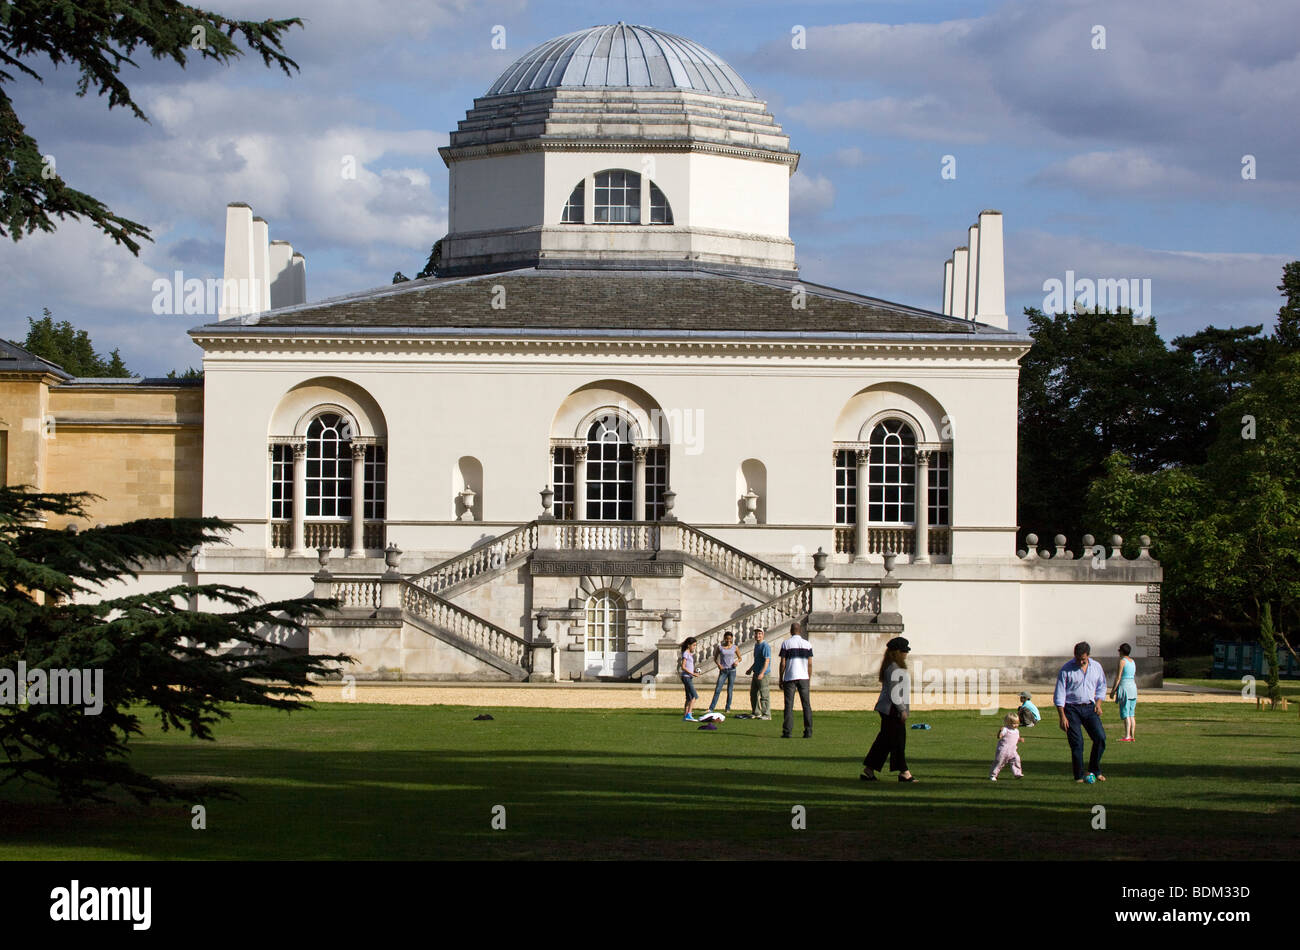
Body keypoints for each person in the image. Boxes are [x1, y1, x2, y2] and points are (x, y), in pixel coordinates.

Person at [861, 636, 916, 782]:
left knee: (885, 742)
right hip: (892, 710)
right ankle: (904, 772)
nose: (906, 654)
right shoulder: (893, 668)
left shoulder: (893, 666)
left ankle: (869, 769)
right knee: (897, 741)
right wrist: (902, 710)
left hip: (890, 709)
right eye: (903, 651)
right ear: (897, 652)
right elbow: (895, 693)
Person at [1053, 641, 1108, 782]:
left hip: (1090, 707)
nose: (1080, 661)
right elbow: (1059, 694)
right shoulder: (1066, 669)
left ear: (1088, 656)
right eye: (1078, 658)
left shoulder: (1096, 667)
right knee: (1077, 743)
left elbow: (1102, 686)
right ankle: (1078, 775)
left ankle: (1094, 770)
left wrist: (1099, 704)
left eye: (1083, 659)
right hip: (1071, 709)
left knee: (1100, 738)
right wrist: (1062, 716)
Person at [778, 620, 813, 738]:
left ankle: (787, 731)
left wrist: (780, 678)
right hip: (803, 677)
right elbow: (810, 664)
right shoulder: (807, 644)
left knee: (789, 705)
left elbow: (783, 663)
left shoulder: (786, 643)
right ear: (800, 631)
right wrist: (809, 677)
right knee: (806, 704)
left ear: (791, 631)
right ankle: (808, 730)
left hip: (790, 676)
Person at [1109, 643, 1137, 741]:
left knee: (1125, 713)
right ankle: (1132, 736)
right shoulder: (1132, 661)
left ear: (1121, 651)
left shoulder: (1122, 661)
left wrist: (1113, 691)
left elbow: (1118, 677)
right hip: (1133, 688)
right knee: (1131, 713)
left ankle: (1127, 736)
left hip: (1125, 688)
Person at [708, 632, 740, 714]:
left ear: (732, 638)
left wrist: (736, 662)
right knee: (718, 689)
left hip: (732, 670)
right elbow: (715, 658)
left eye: (730, 639)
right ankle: (711, 708)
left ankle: (727, 708)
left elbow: (740, 658)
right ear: (724, 638)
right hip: (723, 671)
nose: (728, 641)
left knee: (730, 690)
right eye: (726, 639)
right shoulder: (720, 648)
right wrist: (719, 665)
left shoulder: (735, 647)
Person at [989, 712, 1024, 781]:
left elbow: (1015, 738)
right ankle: (993, 775)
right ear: (1008, 722)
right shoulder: (1006, 729)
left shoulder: (1017, 731)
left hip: (1013, 750)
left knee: (1016, 760)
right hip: (1003, 750)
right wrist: (1000, 732)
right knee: (999, 762)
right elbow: (999, 737)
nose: (1015, 725)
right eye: (1013, 723)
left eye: (1017, 723)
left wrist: (1020, 739)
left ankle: (1017, 773)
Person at [746, 628, 771, 720]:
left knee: (764, 694)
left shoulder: (765, 646)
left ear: (763, 635)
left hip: (763, 674)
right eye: (756, 634)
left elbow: (767, 661)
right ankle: (756, 712)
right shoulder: (756, 645)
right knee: (753, 693)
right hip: (756, 672)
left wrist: (762, 673)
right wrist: (750, 669)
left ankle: (767, 714)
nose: (757, 635)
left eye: (759, 634)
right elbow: (757, 660)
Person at [679, 637, 701, 722]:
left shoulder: (689, 654)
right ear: (689, 645)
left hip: (688, 677)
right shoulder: (686, 653)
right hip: (687, 677)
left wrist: (693, 671)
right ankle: (689, 714)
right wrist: (692, 673)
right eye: (693, 645)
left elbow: (688, 666)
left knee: (689, 697)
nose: (694, 647)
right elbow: (683, 666)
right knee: (694, 696)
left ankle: (685, 716)